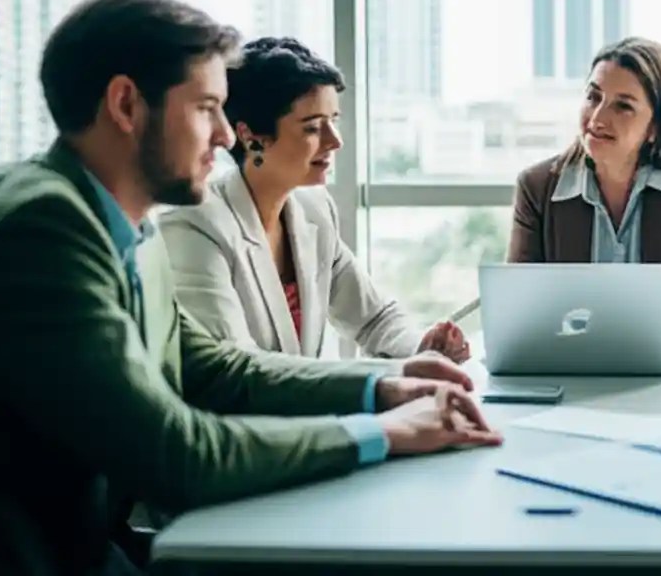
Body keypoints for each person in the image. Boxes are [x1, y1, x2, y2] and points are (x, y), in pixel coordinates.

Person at [0, 0, 501, 576]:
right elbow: (177, 454)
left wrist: (387, 383)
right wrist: (382, 433)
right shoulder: (44, 229)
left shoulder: (123, 225)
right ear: (125, 105)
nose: (225, 135)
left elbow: (216, 366)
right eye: (206, 108)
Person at [159, 37, 469, 362]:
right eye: (312, 128)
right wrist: (386, 382)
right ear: (252, 137)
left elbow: (375, 319)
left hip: (303, 410)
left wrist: (424, 349)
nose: (335, 141)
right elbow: (236, 365)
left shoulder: (314, 209)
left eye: (333, 122)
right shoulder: (195, 224)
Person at [507, 36, 661, 338]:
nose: (598, 118)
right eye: (593, 97)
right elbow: (517, 310)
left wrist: (645, 323)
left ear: (655, 127)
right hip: (567, 373)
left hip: (659, 376)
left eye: (623, 106)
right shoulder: (538, 188)